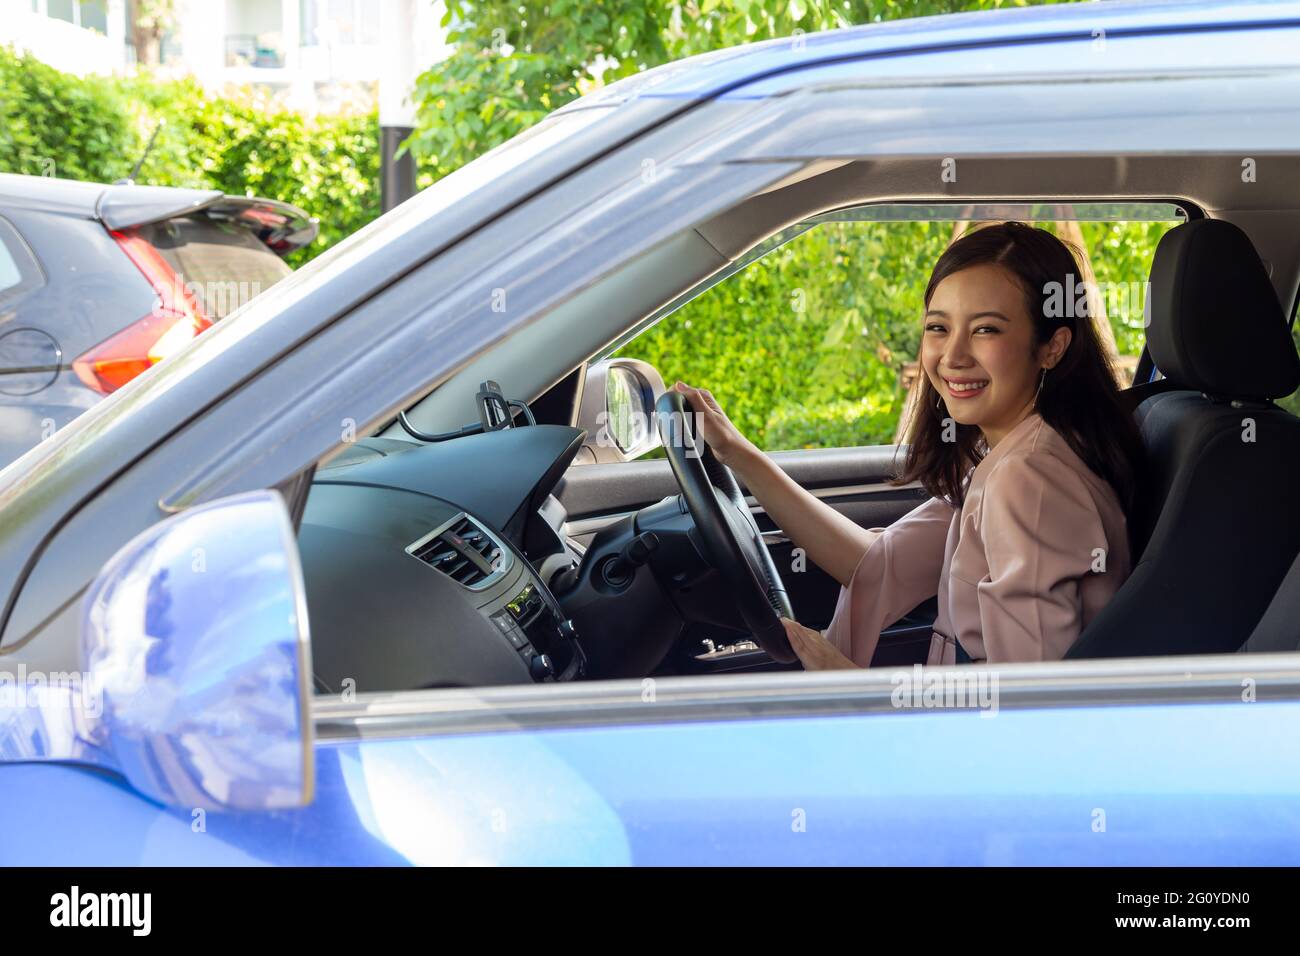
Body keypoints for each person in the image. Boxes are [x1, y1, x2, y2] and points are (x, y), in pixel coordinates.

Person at [674, 221, 1145, 669]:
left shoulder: (1030, 479)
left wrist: (851, 688)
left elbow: (1030, 714)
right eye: (939, 327)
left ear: (1052, 347)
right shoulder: (1007, 456)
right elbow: (875, 562)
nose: (953, 356)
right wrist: (739, 454)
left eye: (986, 329)